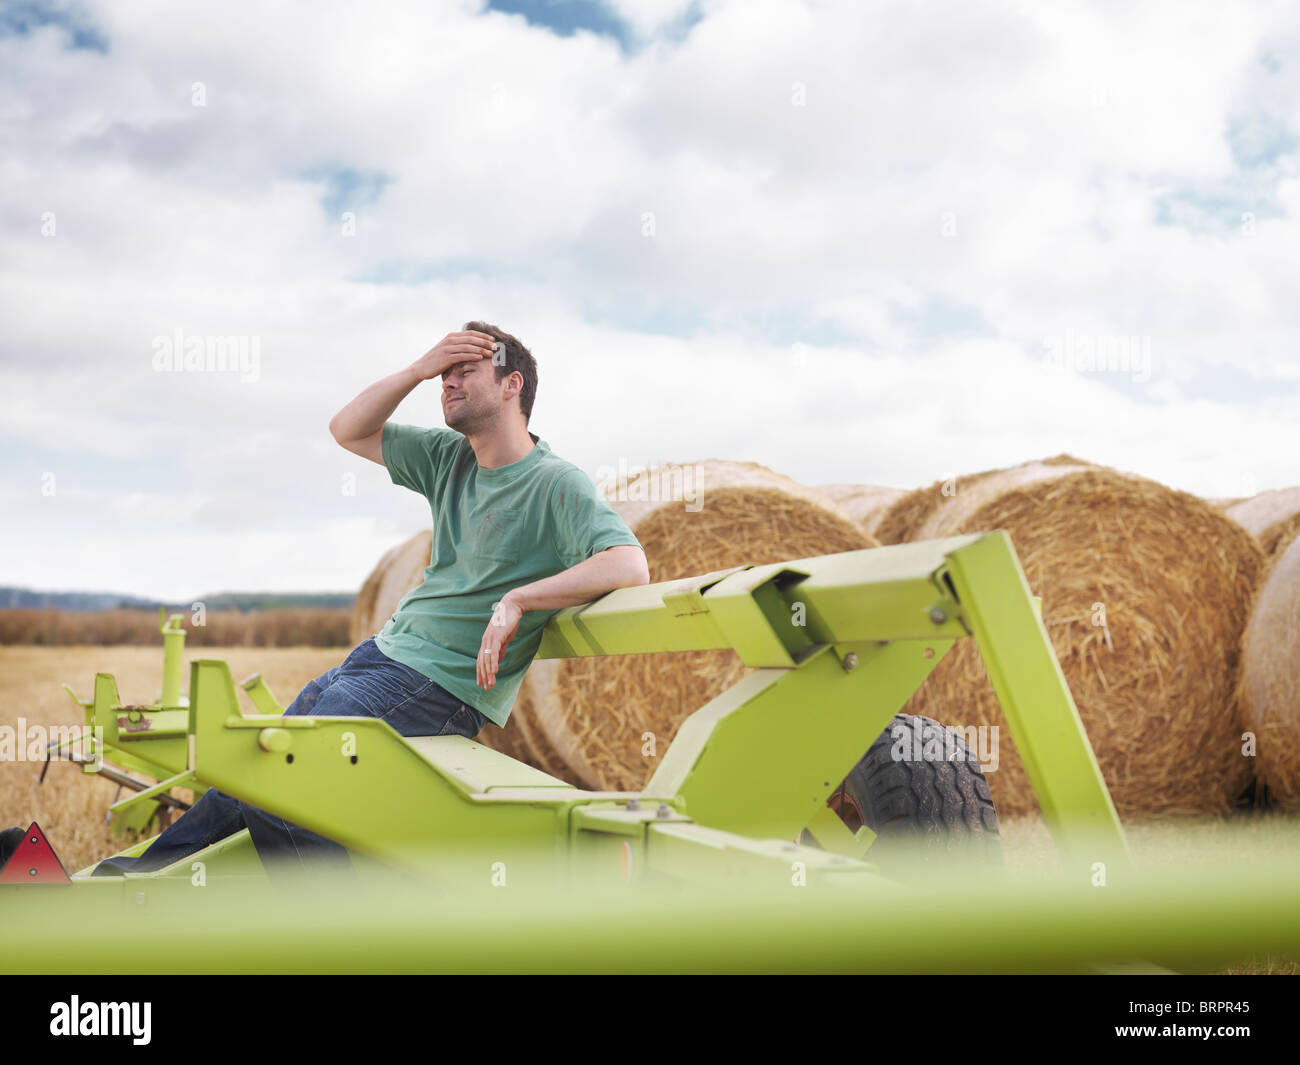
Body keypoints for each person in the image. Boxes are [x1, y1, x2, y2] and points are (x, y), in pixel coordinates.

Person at [89, 322, 649, 880]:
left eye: (465, 371)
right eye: (444, 373)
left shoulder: (556, 482)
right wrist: (415, 369)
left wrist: (520, 599)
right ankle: (122, 882)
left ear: (512, 385)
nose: (446, 383)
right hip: (379, 658)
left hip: (440, 685)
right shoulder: (448, 458)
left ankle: (352, 932)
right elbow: (346, 429)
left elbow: (629, 563)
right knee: (246, 771)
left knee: (283, 782)